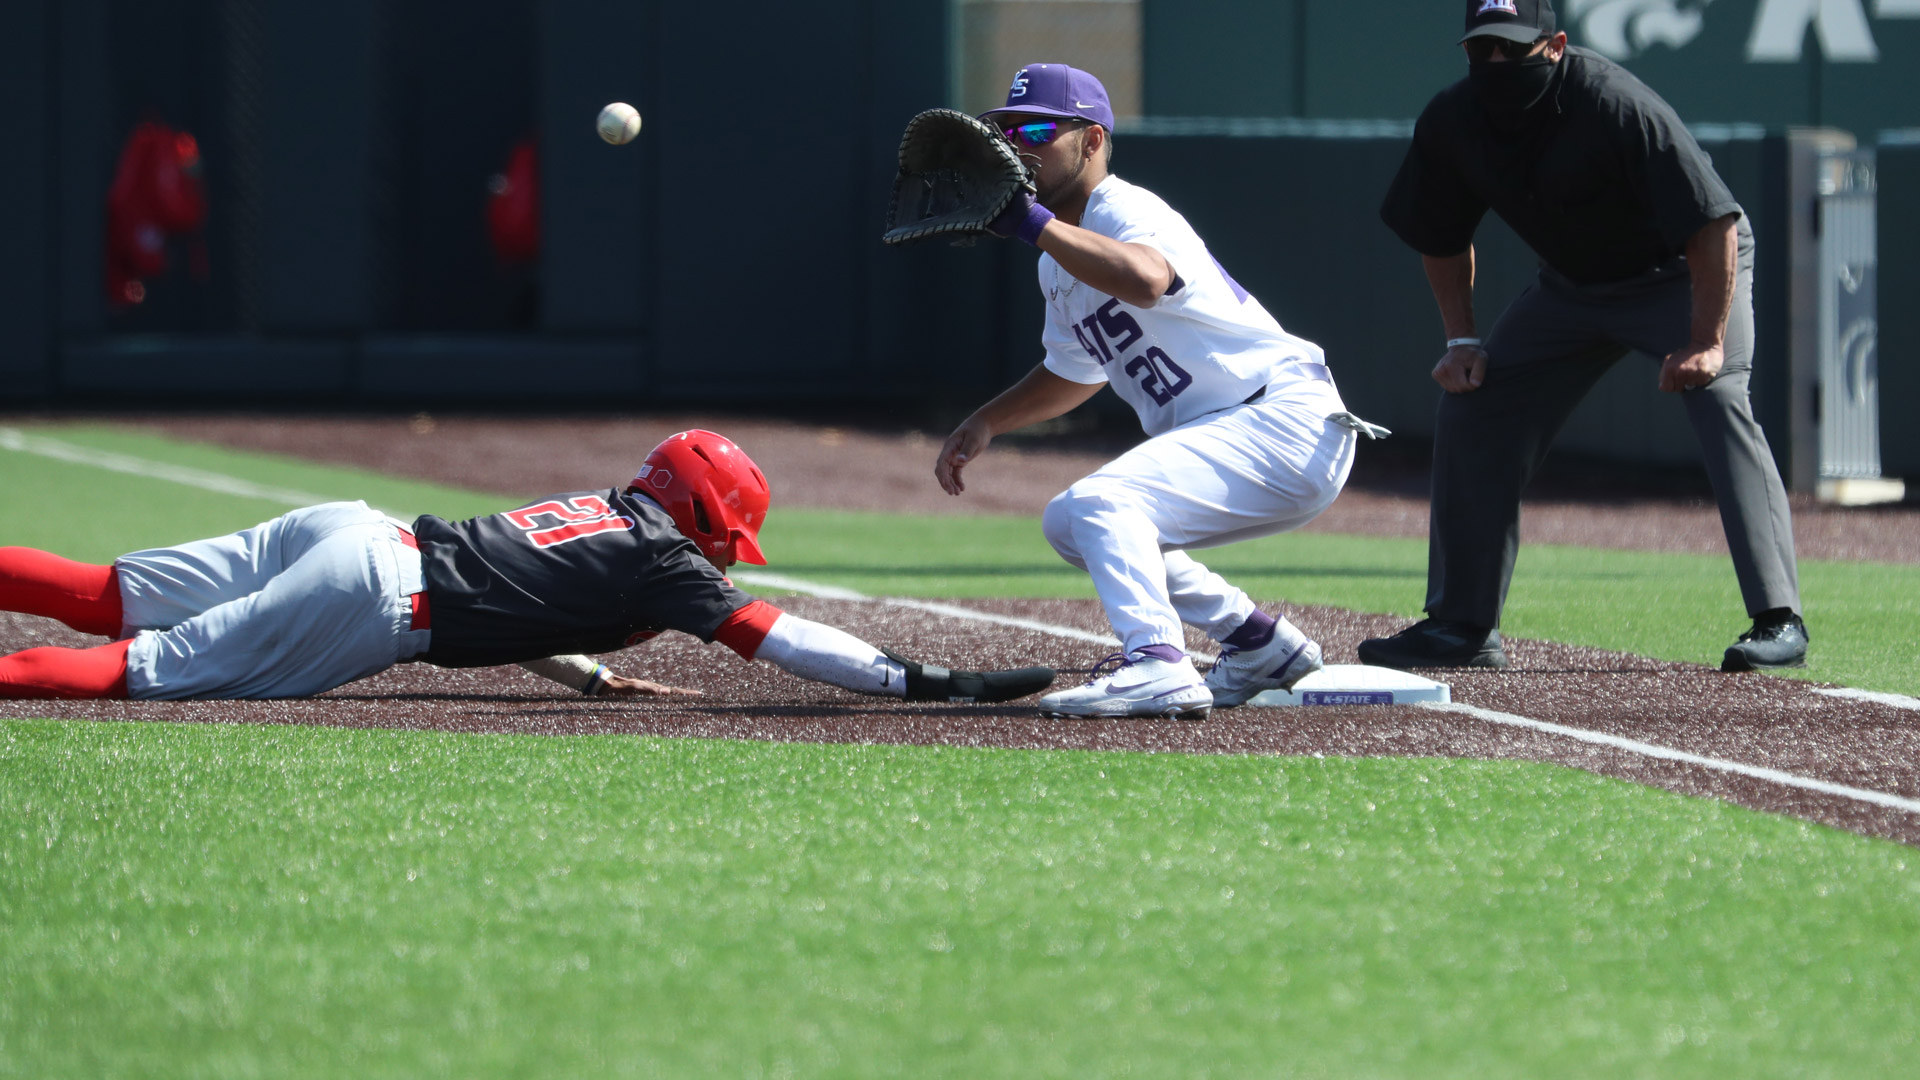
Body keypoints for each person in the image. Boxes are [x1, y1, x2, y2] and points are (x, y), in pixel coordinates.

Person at [1367, 0, 1808, 673]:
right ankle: (1462, 623)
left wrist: (1706, 341)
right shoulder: (1455, 119)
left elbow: (1712, 223)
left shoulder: (1613, 102)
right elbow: (1440, 233)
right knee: (1474, 402)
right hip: (1571, 289)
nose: (1495, 63)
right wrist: (1461, 342)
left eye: (1511, 49)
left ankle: (1779, 618)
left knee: (1719, 396)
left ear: (1555, 45)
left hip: (1679, 273)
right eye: (1481, 48)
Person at [934, 63, 1385, 720]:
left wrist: (1034, 224)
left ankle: (1156, 664)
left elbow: (1146, 279)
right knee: (1070, 522)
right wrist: (988, 421)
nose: (1017, 144)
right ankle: (1260, 643)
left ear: (1091, 142)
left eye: (1037, 128)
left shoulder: (1123, 206)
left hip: (1281, 417)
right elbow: (1075, 371)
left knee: (1103, 505)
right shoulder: (1056, 260)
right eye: (1006, 130)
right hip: (1248, 429)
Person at [0, 429, 1054, 704]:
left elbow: (515, 588)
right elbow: (780, 640)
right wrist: (911, 678)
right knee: (140, 669)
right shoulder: (667, 568)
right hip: (377, 590)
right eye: (722, 535)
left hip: (348, 531)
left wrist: (587, 674)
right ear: (702, 517)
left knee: (99, 595)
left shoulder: (607, 511)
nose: (719, 556)